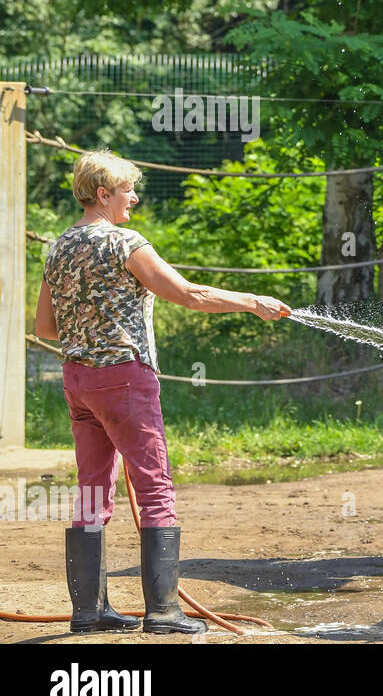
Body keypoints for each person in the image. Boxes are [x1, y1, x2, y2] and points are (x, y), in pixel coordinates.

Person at [34, 150, 291, 635]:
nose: (135, 196)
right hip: (125, 380)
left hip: (78, 381)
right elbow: (189, 295)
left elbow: (45, 326)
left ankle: (88, 614)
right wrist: (252, 301)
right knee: (154, 487)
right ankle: (164, 614)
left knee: (91, 490)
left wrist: (87, 325)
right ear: (103, 194)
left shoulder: (59, 247)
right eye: (128, 189)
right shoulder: (124, 241)